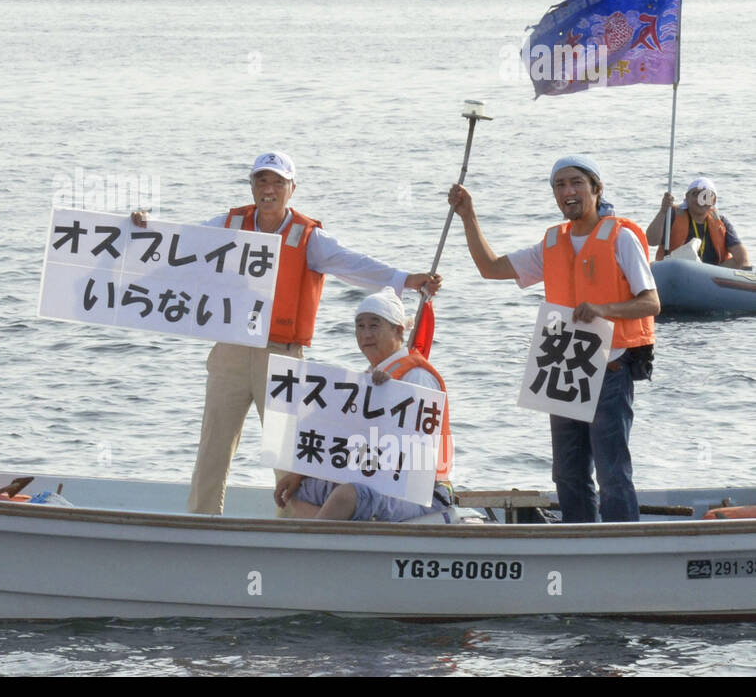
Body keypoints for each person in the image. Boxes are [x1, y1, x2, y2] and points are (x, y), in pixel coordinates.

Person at [138, 151, 442, 516]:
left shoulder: (310, 238)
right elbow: (183, 241)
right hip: (231, 350)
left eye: (277, 182)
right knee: (213, 446)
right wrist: (144, 227)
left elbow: (352, 263)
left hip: (282, 355)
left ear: (291, 188)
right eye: (261, 181)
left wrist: (404, 280)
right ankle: (202, 522)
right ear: (251, 186)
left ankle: (291, 526)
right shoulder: (229, 224)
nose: (268, 190)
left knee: (290, 451)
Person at [448, 154, 659, 523]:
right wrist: (468, 215)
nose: (568, 191)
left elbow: (651, 302)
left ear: (596, 189)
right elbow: (490, 268)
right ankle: (580, 544)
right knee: (567, 473)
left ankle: (621, 548)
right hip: (565, 368)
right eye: (559, 185)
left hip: (611, 368)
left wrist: (603, 309)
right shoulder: (551, 243)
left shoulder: (620, 237)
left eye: (576, 182)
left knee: (612, 471)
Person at [274, 288, 453, 521]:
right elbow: (336, 432)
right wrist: (298, 474)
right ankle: (342, 534)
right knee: (297, 490)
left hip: (422, 492)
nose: (366, 334)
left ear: (398, 331)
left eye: (374, 325)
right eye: (360, 326)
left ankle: (316, 546)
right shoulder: (365, 380)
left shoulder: (417, 376)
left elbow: (417, 448)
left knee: (347, 496)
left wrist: (393, 396)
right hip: (377, 477)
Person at [646, 177, 749, 268]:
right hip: (677, 273)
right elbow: (651, 241)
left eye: (707, 196)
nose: (701, 200)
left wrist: (707, 273)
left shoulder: (722, 222)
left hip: (710, 277)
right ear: (687, 197)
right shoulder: (672, 215)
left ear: (714, 200)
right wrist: (663, 211)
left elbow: (742, 259)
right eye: (696, 194)